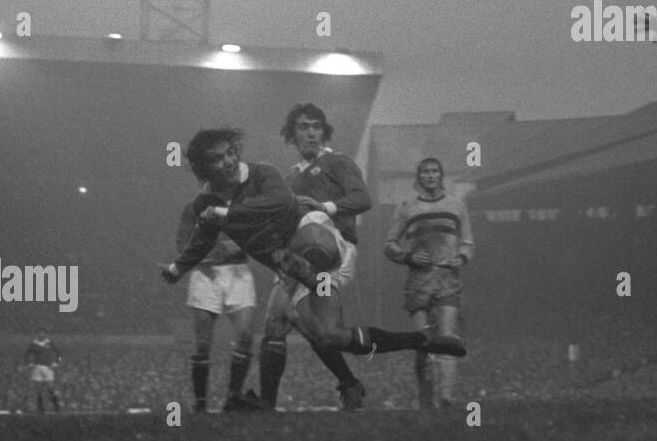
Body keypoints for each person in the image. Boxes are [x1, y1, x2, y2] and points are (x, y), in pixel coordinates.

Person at [160, 128, 464, 412]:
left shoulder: (262, 173)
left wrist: (227, 213)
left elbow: (278, 203)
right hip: (293, 269)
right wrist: (177, 267)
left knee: (300, 271)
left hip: (314, 242)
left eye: (230, 152)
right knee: (329, 335)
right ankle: (420, 342)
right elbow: (202, 239)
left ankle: (268, 404)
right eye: (217, 158)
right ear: (203, 167)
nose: (228, 160)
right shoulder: (205, 203)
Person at [259, 104, 373, 411]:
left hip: (331, 254)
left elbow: (363, 199)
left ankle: (268, 405)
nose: (311, 132)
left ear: (324, 132)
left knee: (292, 322)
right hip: (298, 256)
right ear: (291, 134)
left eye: (316, 126)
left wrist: (326, 208)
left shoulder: (337, 162)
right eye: (303, 127)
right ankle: (349, 384)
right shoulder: (288, 179)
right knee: (297, 325)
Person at [384, 158, 475, 409]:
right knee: (423, 343)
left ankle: (446, 397)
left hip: (447, 278)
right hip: (419, 280)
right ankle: (426, 399)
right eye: (425, 171)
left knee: (447, 339)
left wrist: (462, 257)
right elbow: (389, 244)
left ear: (441, 175)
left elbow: (467, 242)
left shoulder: (456, 206)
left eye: (435, 171)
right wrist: (408, 256)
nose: (430, 175)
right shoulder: (407, 207)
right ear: (419, 177)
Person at [175, 211, 257, 412]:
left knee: (245, 335)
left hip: (238, 272)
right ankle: (200, 403)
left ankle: (233, 397)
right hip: (205, 274)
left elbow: (256, 239)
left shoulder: (242, 206)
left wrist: (242, 246)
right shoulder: (194, 208)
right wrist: (212, 252)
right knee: (203, 342)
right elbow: (182, 245)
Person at [24, 330, 61, 413]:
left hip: (48, 367)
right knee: (38, 388)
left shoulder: (50, 343)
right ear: (37, 334)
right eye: (39, 332)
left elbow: (59, 353)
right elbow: (26, 354)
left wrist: (56, 363)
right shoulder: (33, 344)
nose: (41, 334)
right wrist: (29, 363)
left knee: (50, 387)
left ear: (45, 334)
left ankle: (56, 406)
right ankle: (41, 409)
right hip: (37, 367)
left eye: (43, 332)